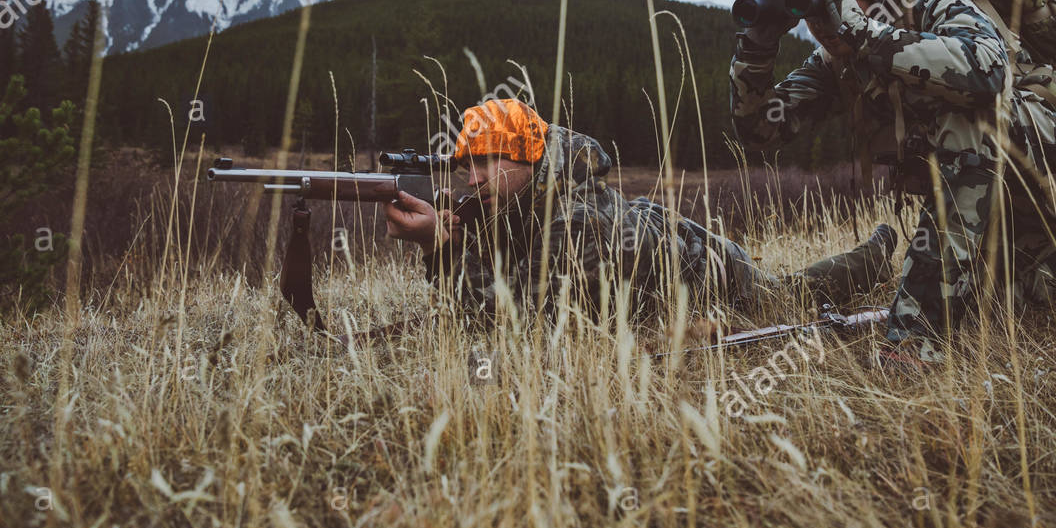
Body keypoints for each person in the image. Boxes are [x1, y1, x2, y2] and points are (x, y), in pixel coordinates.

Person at [729, 0, 1056, 360]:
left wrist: (866, 35)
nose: (823, 29)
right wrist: (757, 46)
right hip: (993, 200)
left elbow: (987, 73)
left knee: (969, 109)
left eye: (833, 11)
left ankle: (914, 340)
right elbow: (760, 130)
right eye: (812, 19)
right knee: (971, 303)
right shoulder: (836, 61)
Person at [381, 98, 896, 328]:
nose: (472, 179)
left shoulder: (577, 221)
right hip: (650, 227)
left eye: (488, 162)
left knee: (792, 295)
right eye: (467, 166)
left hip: (708, 268)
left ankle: (878, 253)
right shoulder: (521, 197)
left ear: (528, 159)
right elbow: (509, 270)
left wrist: (441, 246)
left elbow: (513, 321)